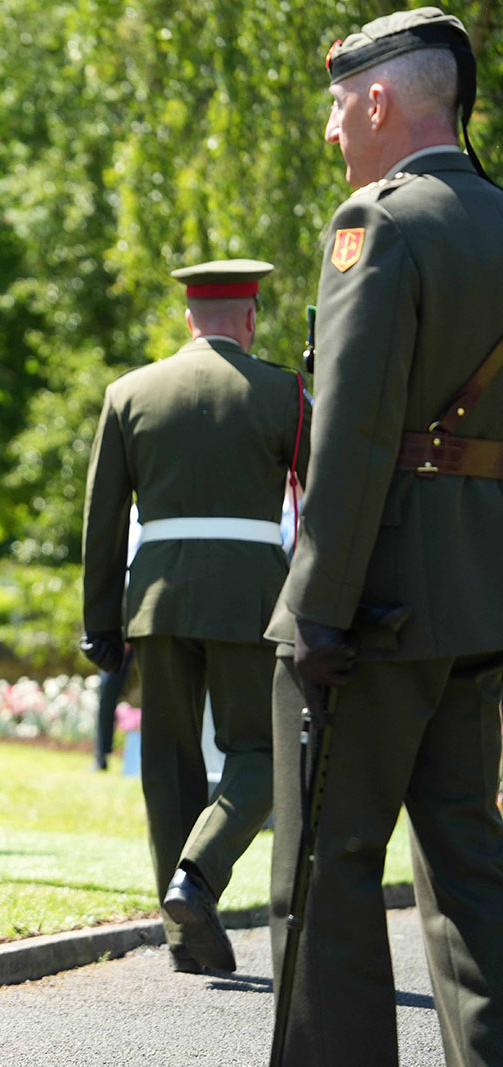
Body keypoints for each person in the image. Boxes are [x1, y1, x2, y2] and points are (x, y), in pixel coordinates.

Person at [267, 10, 503, 1064]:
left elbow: (354, 436)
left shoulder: (377, 222)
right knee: (468, 868)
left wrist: (314, 612)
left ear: (376, 101)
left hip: (375, 606)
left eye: (335, 105)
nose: (329, 132)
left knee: (326, 867)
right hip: (480, 602)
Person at [81, 259, 309, 976]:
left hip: (157, 601)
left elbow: (103, 521)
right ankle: (199, 875)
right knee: (265, 754)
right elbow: (319, 503)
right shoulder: (284, 391)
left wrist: (101, 623)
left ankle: (187, 936)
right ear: (250, 317)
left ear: (189, 317)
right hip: (251, 600)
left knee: (170, 772)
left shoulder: (130, 391)